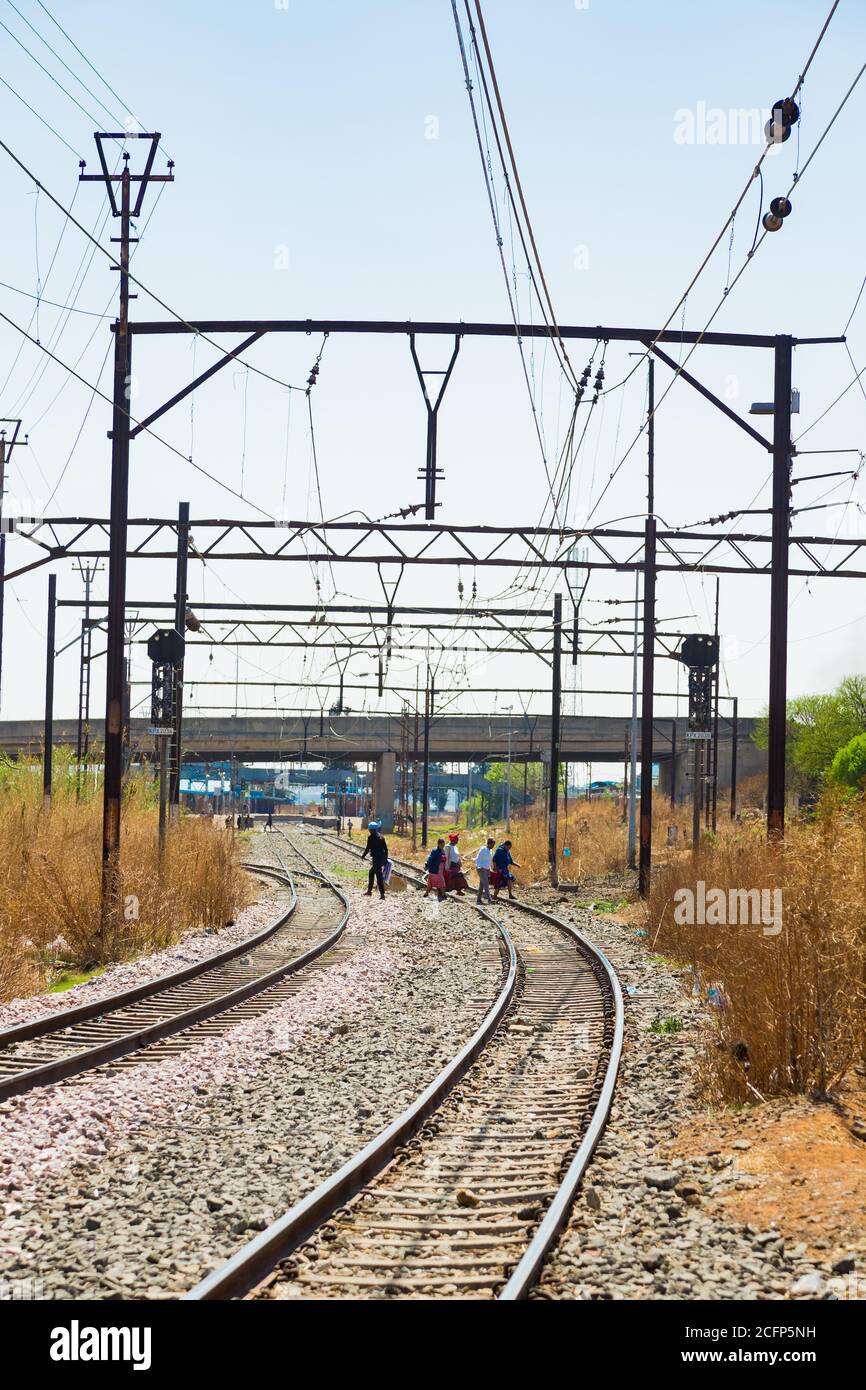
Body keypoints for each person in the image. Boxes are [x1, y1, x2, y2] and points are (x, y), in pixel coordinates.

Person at [361, 821, 389, 900]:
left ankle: (382, 894)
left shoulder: (370, 838)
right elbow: (386, 849)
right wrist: (385, 859)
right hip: (381, 858)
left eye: (369, 829)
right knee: (371, 872)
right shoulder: (381, 836)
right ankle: (369, 891)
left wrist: (363, 856)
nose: (369, 830)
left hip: (376, 859)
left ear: (372, 830)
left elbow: (367, 848)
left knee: (379, 876)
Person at [475, 836, 496, 904]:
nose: (493, 846)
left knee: (482, 885)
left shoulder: (491, 851)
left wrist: (491, 869)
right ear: (489, 843)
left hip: (486, 869)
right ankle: (489, 899)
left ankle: (478, 899)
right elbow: (478, 858)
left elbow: (490, 861)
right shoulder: (483, 849)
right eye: (492, 844)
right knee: (486, 883)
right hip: (481, 868)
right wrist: (479, 867)